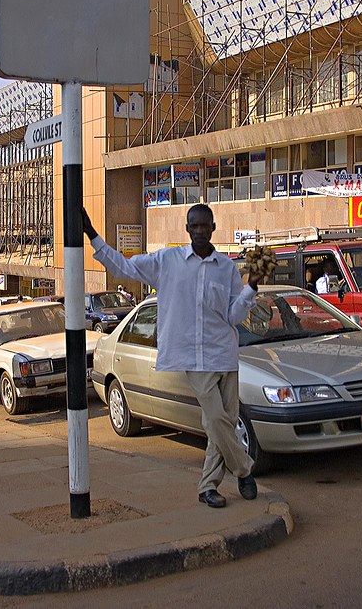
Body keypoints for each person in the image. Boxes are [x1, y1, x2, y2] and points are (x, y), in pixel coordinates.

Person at [83, 204, 262, 509]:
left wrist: (252, 287)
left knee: (224, 423)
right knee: (217, 419)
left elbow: (234, 316)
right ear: (187, 229)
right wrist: (92, 234)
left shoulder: (227, 268)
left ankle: (207, 486)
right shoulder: (168, 261)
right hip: (193, 358)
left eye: (206, 226)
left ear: (214, 228)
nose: (201, 231)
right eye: (195, 226)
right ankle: (244, 469)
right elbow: (124, 267)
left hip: (224, 353)